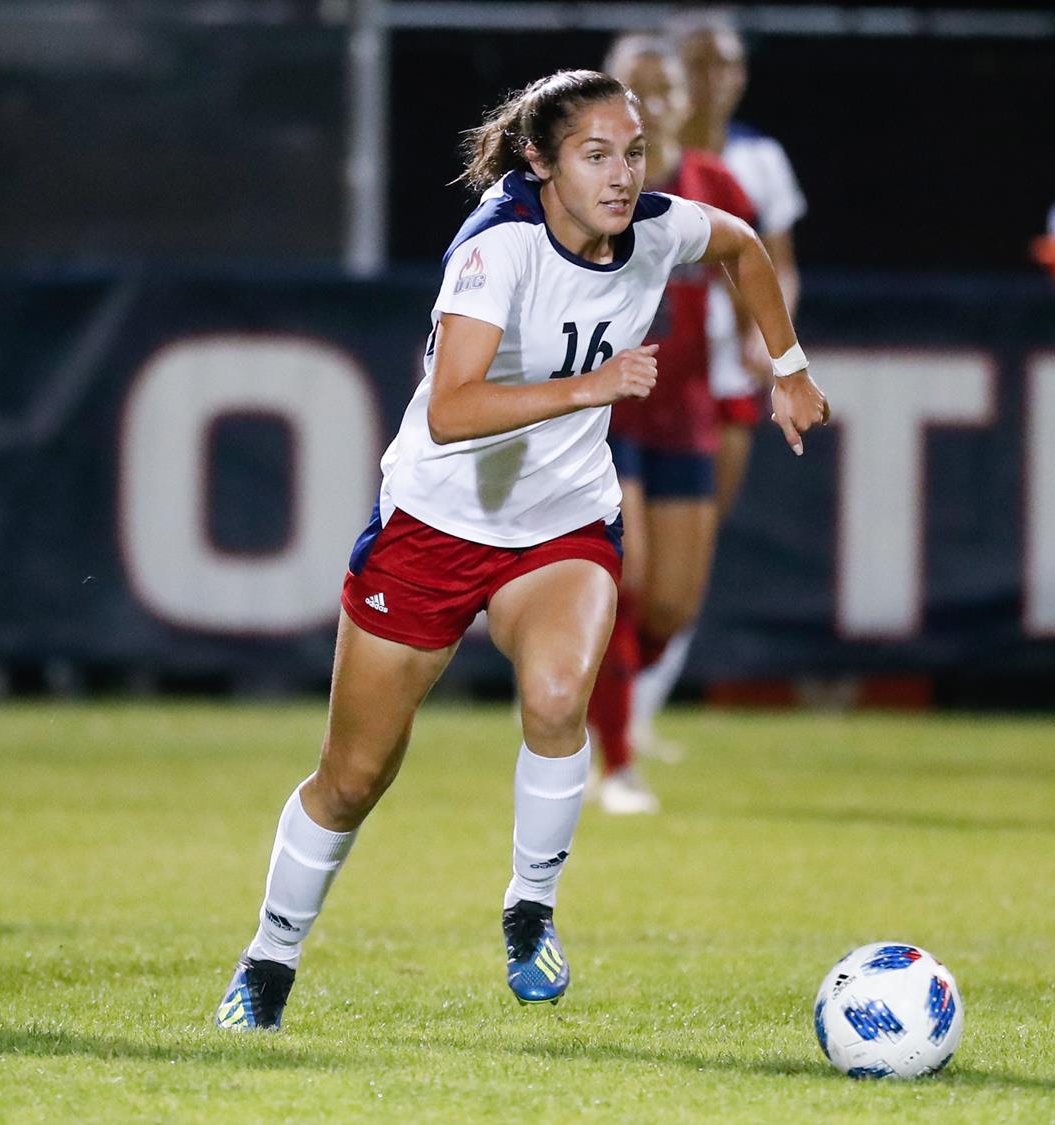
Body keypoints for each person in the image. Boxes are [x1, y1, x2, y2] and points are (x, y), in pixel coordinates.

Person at [213, 67, 826, 1029]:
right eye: (596, 156)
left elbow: (745, 247)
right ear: (540, 162)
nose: (623, 176)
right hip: (432, 525)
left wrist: (788, 369)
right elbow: (454, 410)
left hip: (562, 523)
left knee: (554, 696)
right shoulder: (498, 251)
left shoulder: (656, 229)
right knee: (354, 776)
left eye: (632, 153)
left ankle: (530, 908)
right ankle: (269, 958)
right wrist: (590, 387)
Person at [626, 10, 811, 757]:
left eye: (727, 64)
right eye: (699, 64)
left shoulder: (754, 162)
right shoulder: (623, 152)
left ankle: (631, 710)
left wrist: (772, 342)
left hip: (717, 381)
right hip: (631, 386)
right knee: (626, 563)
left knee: (683, 569)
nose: (715, 80)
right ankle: (598, 713)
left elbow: (778, 262)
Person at [584, 34, 758, 815]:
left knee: (674, 607)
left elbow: (751, 268)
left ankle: (597, 701)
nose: (651, 106)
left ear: (685, 102)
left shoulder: (716, 183)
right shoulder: (584, 185)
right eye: (635, 90)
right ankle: (613, 762)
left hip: (685, 412)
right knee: (632, 578)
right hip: (606, 408)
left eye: (664, 93)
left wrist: (772, 348)